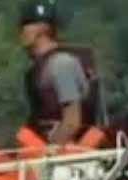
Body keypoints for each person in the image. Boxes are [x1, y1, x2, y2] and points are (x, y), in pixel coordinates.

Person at [19, 1, 101, 147]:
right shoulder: (34, 71)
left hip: (71, 149)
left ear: (42, 29)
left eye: (25, 24)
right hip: (48, 144)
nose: (20, 31)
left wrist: (50, 151)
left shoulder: (61, 65)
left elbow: (72, 121)